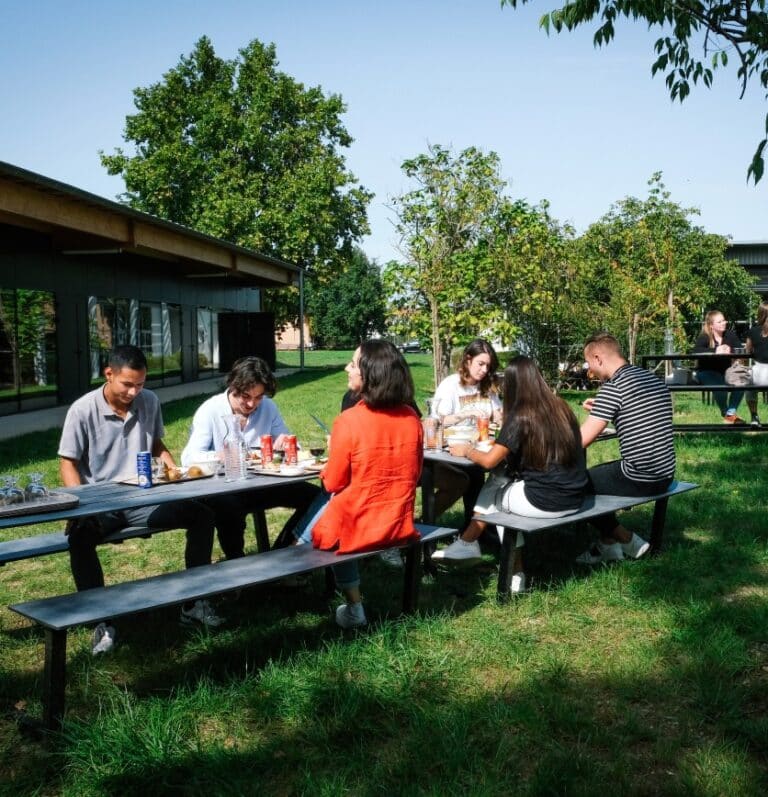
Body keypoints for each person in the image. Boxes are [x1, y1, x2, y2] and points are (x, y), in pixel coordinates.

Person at [59, 345, 220, 655]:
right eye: (127, 384)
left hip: (144, 498)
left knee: (201, 514)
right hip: (101, 501)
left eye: (141, 384)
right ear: (109, 374)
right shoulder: (82, 410)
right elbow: (68, 462)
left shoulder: (150, 401)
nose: (134, 392)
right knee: (79, 536)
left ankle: (193, 603)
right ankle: (101, 621)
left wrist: (177, 475)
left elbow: (157, 445)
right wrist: (81, 505)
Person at [430, 356, 587, 594]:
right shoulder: (561, 406)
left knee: (498, 496)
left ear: (513, 384)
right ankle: (468, 542)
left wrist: (467, 450)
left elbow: (489, 460)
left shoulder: (521, 416)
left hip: (546, 501)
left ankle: (513, 572)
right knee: (500, 481)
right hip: (575, 495)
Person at [295, 340, 423, 628]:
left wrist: (327, 467)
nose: (346, 368)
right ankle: (293, 561)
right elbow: (415, 475)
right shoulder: (412, 418)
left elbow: (334, 482)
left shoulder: (349, 421)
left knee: (331, 513)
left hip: (358, 526)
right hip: (396, 522)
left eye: (353, 364)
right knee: (337, 510)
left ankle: (348, 602)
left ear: (369, 374)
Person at [181, 356, 320, 557]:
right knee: (229, 510)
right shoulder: (210, 410)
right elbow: (189, 458)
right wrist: (223, 455)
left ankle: (284, 553)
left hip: (263, 483)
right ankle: (237, 567)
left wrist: (284, 443)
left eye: (258, 397)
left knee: (315, 498)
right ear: (233, 386)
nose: (251, 403)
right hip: (223, 488)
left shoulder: (268, 407)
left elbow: (290, 442)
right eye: (245, 396)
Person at [577, 332, 676, 564]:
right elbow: (638, 413)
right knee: (597, 477)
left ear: (598, 357)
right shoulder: (651, 379)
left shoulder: (613, 388)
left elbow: (580, 440)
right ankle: (608, 546)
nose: (590, 371)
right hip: (666, 472)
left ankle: (626, 538)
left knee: (575, 485)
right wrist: (602, 407)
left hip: (638, 475)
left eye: (589, 363)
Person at [429, 338, 502, 525]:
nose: (484, 370)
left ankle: (476, 526)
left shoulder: (487, 386)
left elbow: (498, 414)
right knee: (472, 475)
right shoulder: (451, 385)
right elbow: (439, 420)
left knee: (497, 470)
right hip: (453, 447)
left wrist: (500, 417)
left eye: (488, 365)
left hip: (479, 444)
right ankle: (471, 526)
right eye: (481, 364)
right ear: (468, 360)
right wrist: (465, 414)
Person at [693, 310, 746, 424]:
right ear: (711, 325)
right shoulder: (705, 336)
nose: (724, 323)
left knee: (742, 381)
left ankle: (730, 414)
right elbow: (695, 351)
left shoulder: (730, 334)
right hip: (706, 372)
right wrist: (716, 350)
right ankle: (725, 412)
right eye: (720, 321)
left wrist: (730, 350)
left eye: (724, 320)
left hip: (726, 371)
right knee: (721, 388)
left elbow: (740, 350)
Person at [744, 300, 768, 427]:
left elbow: (748, 351)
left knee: (749, 383)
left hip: (758, 373)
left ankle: (754, 415)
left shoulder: (753, 331)